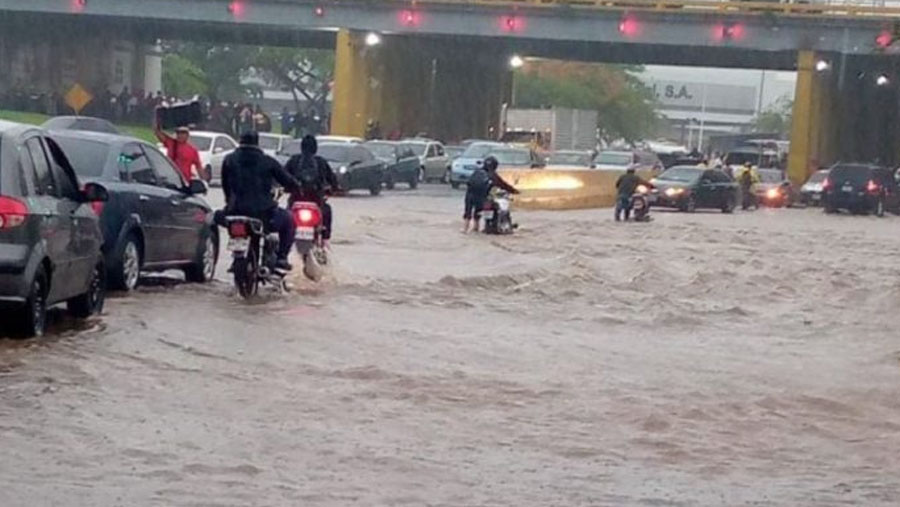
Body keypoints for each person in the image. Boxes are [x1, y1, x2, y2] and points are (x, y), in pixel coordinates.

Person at [221, 131, 301, 270]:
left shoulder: (229, 160)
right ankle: (281, 258)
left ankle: (236, 257)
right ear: (257, 143)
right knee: (289, 220)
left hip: (235, 211)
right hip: (264, 213)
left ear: (240, 141)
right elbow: (287, 180)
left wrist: (230, 203)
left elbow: (225, 186)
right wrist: (297, 187)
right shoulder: (267, 161)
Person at [284, 135, 341, 249]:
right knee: (327, 211)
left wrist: (284, 188)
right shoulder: (321, 162)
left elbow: (283, 177)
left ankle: (284, 247)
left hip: (295, 200)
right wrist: (335, 189)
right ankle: (325, 240)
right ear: (315, 148)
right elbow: (333, 180)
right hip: (316, 201)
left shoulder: (293, 160)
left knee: (286, 218)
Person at [463, 156, 519, 233]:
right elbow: (503, 185)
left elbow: (468, 183)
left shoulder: (476, 172)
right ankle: (476, 227)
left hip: (470, 195)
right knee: (480, 208)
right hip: (483, 197)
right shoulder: (493, 175)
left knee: (469, 211)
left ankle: (466, 228)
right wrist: (514, 191)